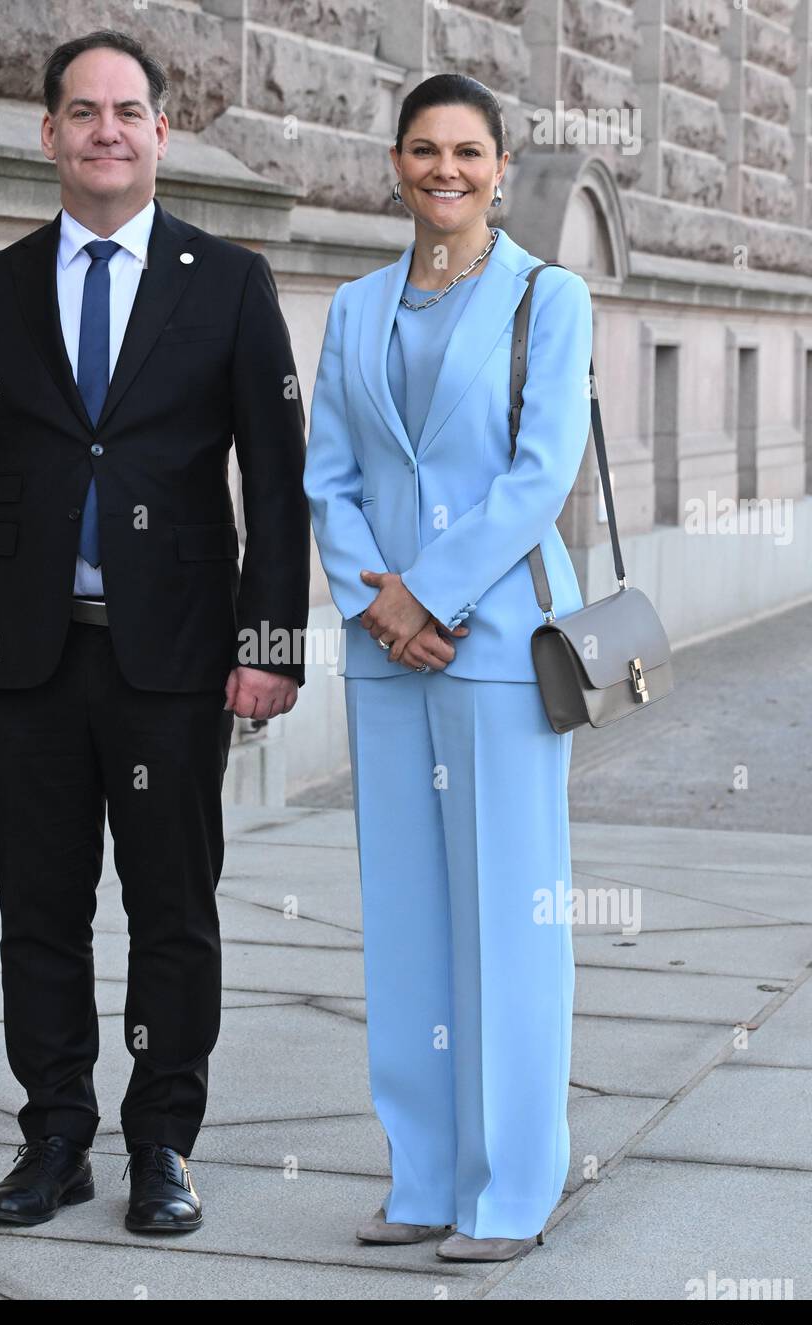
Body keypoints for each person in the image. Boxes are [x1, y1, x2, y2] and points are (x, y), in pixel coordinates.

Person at [0, 29, 309, 1234]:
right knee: (39, 906)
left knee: (171, 910)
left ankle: (162, 1144)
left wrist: (270, 646)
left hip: (178, 659)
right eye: (81, 111)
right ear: (48, 134)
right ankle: (53, 1138)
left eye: (126, 110)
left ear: (160, 133)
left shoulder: (228, 281)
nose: (104, 130)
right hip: (27, 658)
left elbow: (276, 481)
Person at [303, 73, 593, 1262]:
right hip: (387, 654)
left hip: (499, 650)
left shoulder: (548, 294)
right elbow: (323, 471)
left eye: (466, 152)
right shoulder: (357, 304)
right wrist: (378, 604)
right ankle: (421, 1177)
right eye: (422, 150)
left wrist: (430, 593)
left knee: (509, 925)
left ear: (498, 166)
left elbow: (541, 472)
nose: (444, 171)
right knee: (409, 923)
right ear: (392, 163)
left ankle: (512, 1189)